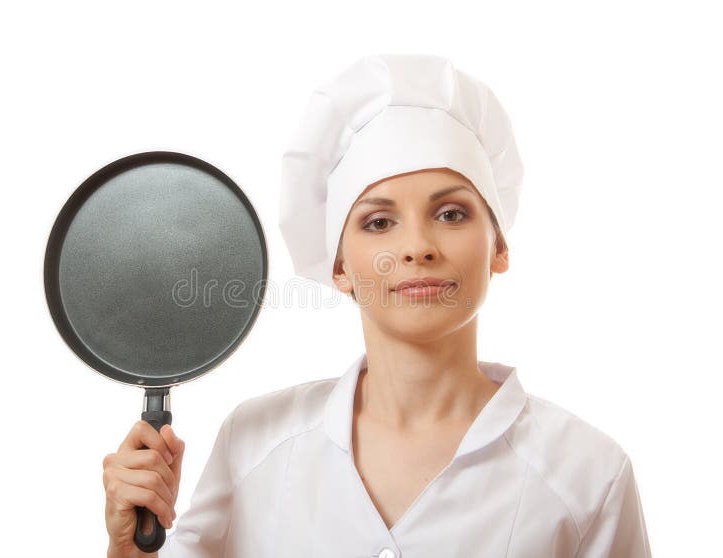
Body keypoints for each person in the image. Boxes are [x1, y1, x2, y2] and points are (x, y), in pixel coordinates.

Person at [103, 53, 652, 558]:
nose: (417, 246)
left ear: (499, 247)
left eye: (452, 214)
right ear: (338, 265)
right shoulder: (254, 444)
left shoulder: (589, 477)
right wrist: (129, 552)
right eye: (379, 222)